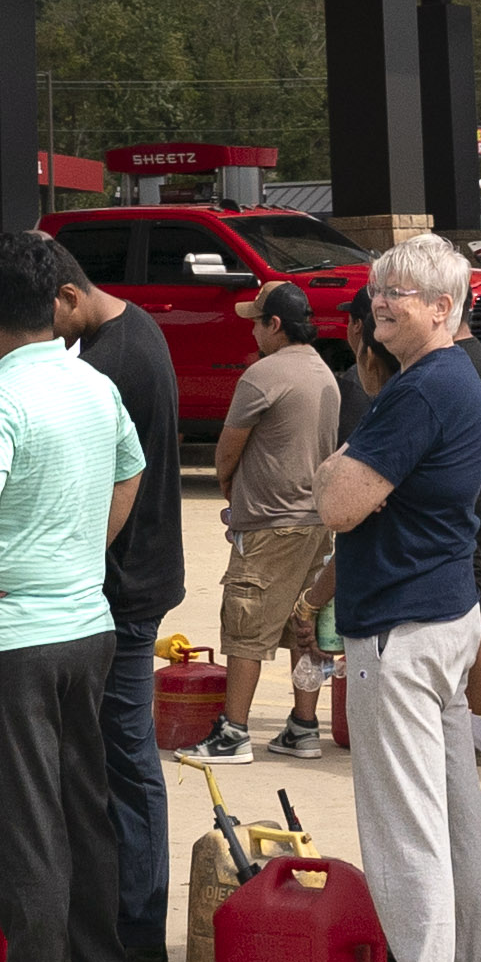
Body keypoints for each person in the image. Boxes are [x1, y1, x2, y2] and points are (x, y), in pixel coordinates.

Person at [0, 230, 152, 962]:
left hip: (14, 638)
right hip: (85, 625)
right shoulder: (91, 382)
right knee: (82, 811)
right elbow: (132, 469)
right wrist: (84, 551)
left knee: (19, 826)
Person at [309, 235, 481, 962]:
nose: (381, 300)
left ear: (443, 306)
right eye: (379, 286)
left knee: (406, 830)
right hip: (445, 615)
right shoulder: (456, 374)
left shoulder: (422, 387)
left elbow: (339, 502)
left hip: (403, 628)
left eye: (402, 291)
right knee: (454, 819)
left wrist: (335, 468)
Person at [48, 241, 183, 962]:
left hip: (123, 587)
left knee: (124, 762)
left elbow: (104, 484)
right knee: (116, 759)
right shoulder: (135, 328)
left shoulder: (108, 364)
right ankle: (127, 921)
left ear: (70, 295)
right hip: (137, 577)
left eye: (48, 317)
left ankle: (136, 929)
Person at [199, 284, 341, 761]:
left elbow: (228, 449)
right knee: (304, 622)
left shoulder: (263, 374)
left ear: (275, 324)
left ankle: (233, 733)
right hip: (316, 522)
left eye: (258, 322)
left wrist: (230, 488)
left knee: (246, 625)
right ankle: (303, 727)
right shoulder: (323, 371)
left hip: (270, 523)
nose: (253, 331)